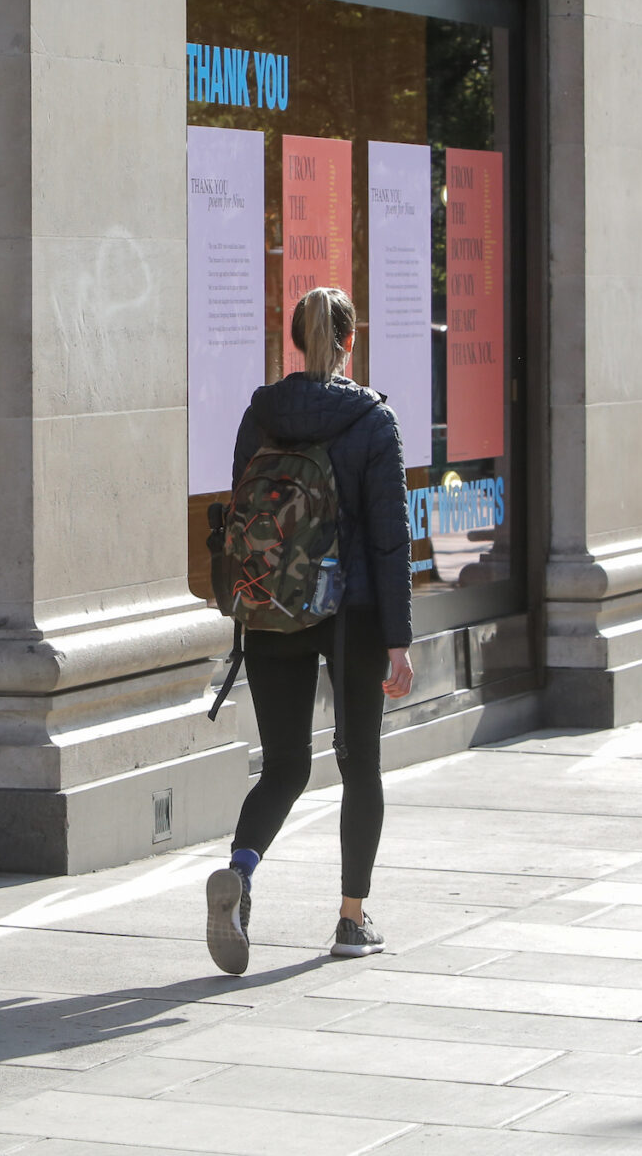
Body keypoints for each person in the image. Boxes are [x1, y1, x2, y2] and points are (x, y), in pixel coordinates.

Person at [206, 287, 414, 974]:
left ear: (295, 340)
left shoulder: (259, 415)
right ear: (348, 341)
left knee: (286, 763)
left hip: (270, 608)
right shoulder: (371, 419)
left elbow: (243, 512)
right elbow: (390, 538)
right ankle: (352, 920)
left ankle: (241, 870)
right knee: (360, 764)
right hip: (349, 614)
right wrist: (399, 638)